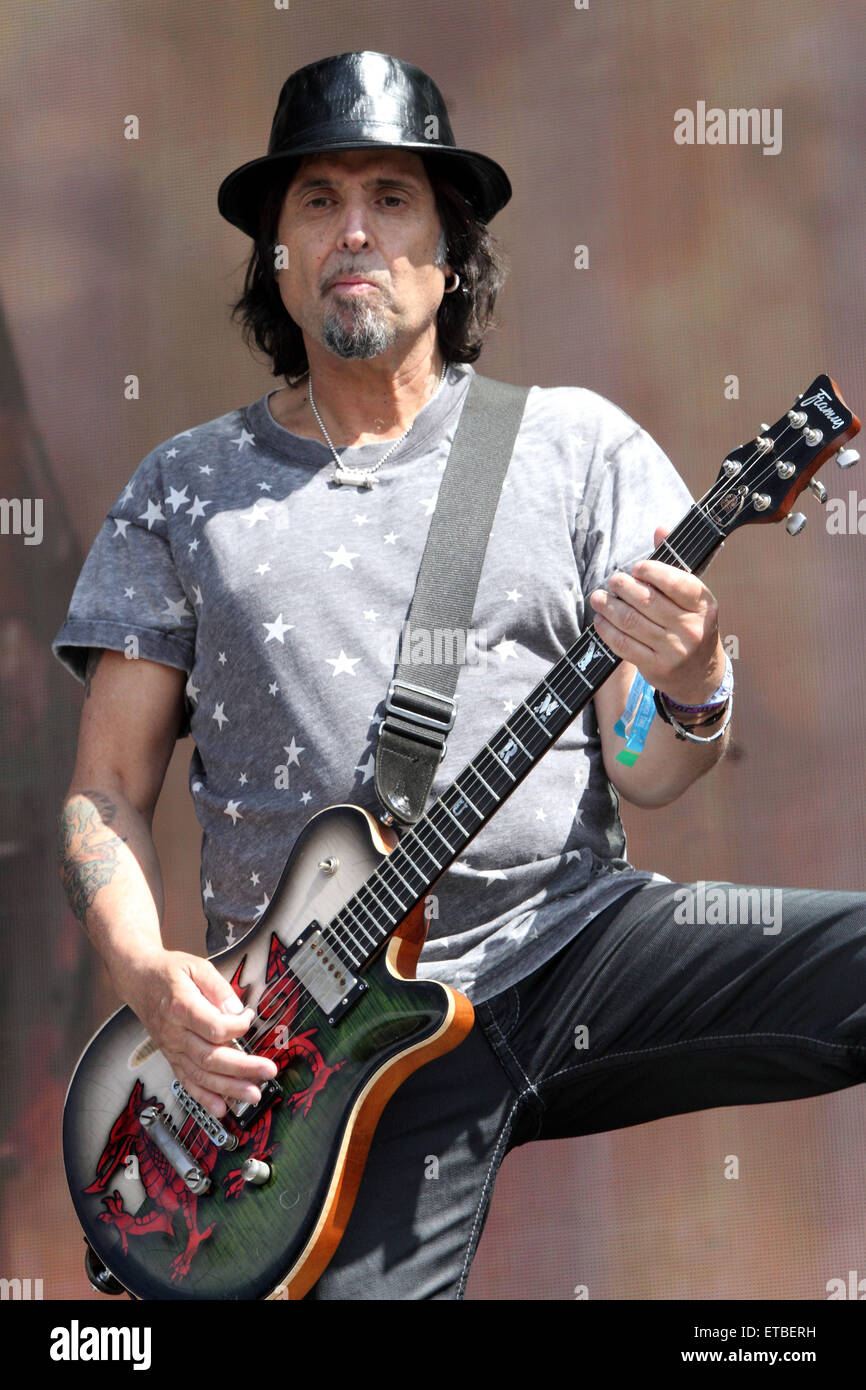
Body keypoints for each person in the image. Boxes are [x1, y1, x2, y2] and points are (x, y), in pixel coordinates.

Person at [54, 51, 866, 1301]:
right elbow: (104, 786)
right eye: (316, 201)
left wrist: (694, 674)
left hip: (567, 950)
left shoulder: (573, 448)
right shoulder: (184, 488)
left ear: (452, 247)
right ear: (276, 251)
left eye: (391, 196)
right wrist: (146, 975)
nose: (354, 231)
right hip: (311, 1042)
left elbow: (651, 772)